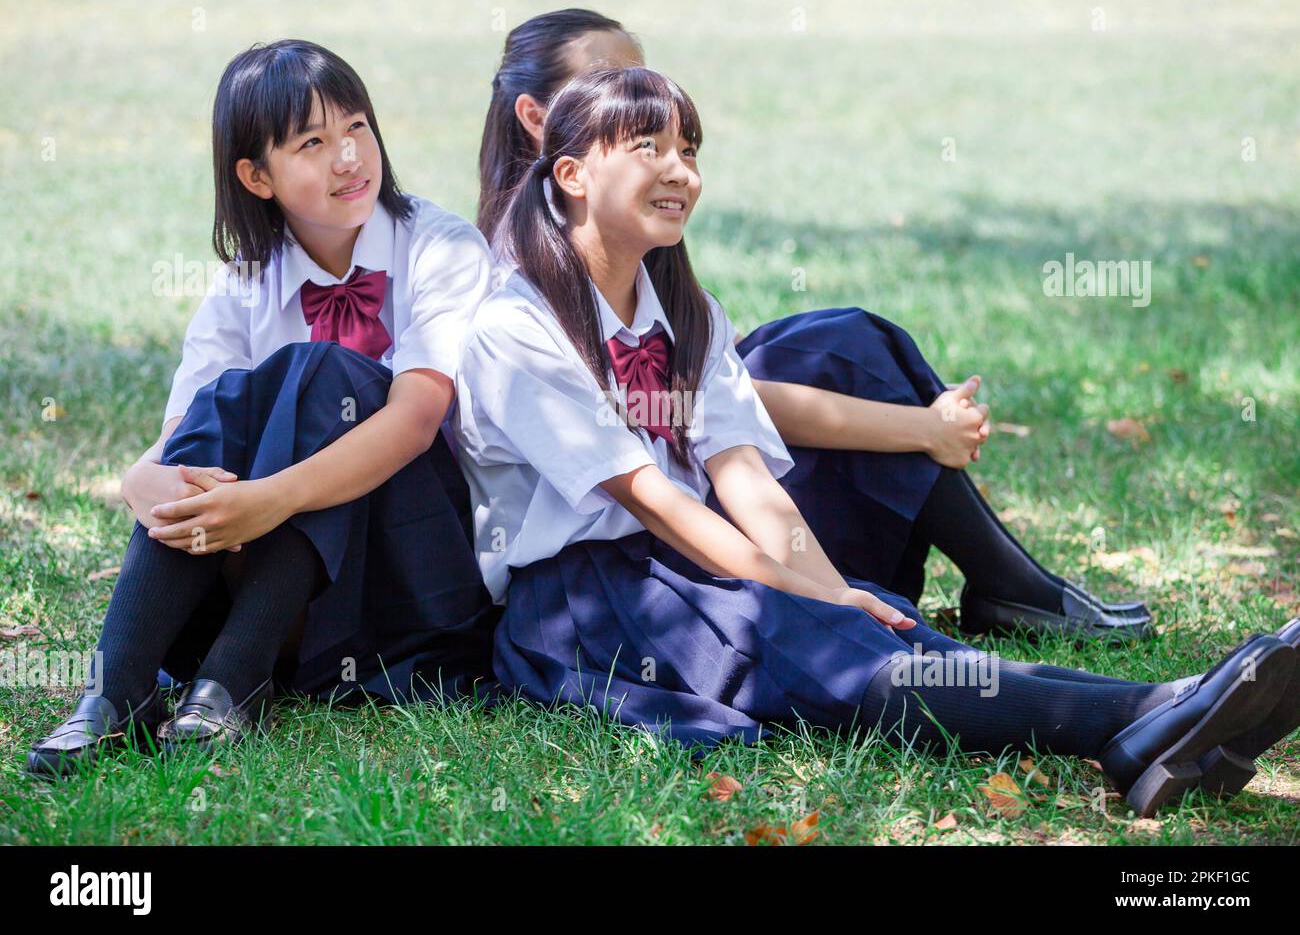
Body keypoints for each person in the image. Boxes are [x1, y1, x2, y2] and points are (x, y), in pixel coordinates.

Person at [453, 65, 1300, 817]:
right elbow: (655, 499)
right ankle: (1147, 712)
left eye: (691, 150)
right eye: (650, 147)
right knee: (830, 652)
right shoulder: (515, 325)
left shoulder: (687, 311)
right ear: (569, 174)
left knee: (883, 625)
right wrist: (802, 595)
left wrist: (830, 588)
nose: (682, 173)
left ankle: (1157, 712)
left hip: (688, 555)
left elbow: (744, 477)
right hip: (586, 605)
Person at [475, 7, 1152, 640]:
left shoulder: (639, 234)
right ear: (539, 120)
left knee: (848, 338)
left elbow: (712, 385)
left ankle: (999, 584)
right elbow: (700, 416)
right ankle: (1000, 586)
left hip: (714, 495)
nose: (640, 92)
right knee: (842, 350)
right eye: (606, 82)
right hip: (648, 539)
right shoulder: (527, 268)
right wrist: (920, 429)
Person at [26, 39, 499, 779]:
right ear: (255, 175)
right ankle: (118, 694)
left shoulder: (440, 248)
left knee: (321, 373)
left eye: (358, 128)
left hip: (411, 585)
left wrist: (267, 501)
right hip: (283, 595)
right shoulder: (244, 284)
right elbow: (179, 443)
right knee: (232, 403)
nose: (349, 157)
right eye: (313, 142)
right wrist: (143, 484)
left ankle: (235, 674)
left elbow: (413, 421)